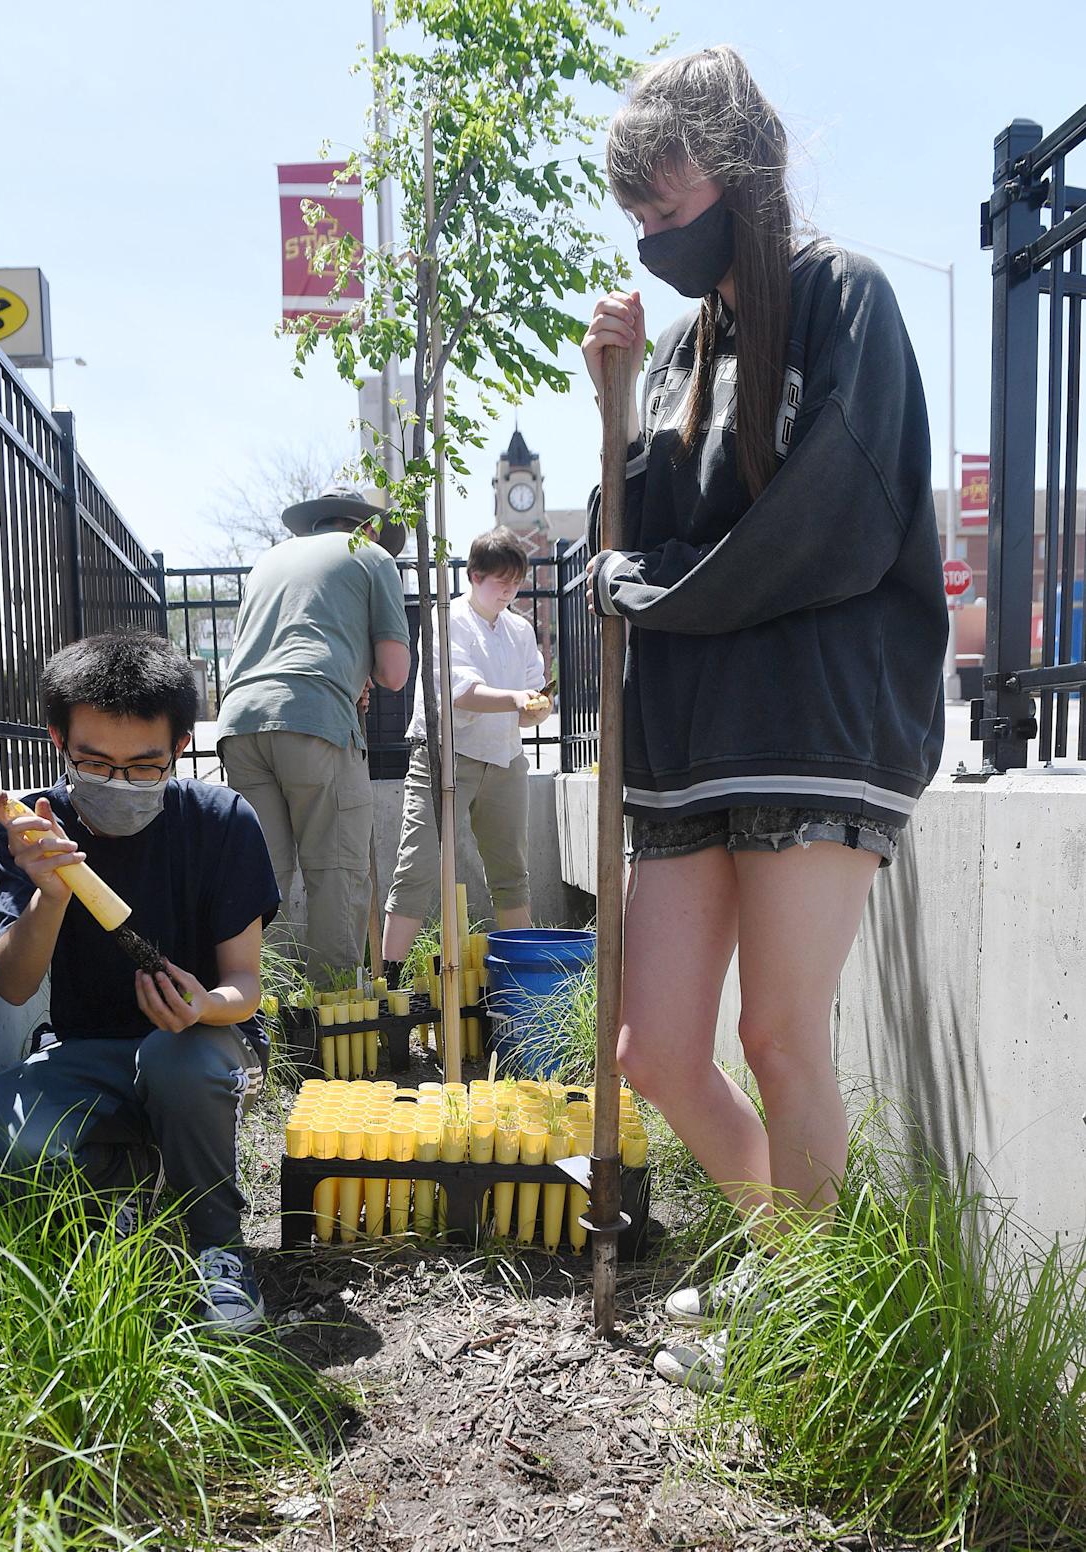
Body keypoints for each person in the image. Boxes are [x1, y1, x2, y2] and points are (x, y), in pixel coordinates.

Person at [580, 47, 947, 1391]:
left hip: (811, 716)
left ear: (735, 176)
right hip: (691, 736)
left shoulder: (839, 297)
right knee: (654, 1050)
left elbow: (839, 511)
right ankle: (787, 1266)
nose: (651, 233)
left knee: (777, 1035)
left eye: (665, 204)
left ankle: (814, 1344)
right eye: (635, 215)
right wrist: (610, 401)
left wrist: (662, 593)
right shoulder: (690, 347)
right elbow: (644, 537)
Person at [0, 630, 280, 1332]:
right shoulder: (32, 830)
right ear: (58, 741)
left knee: (178, 1060)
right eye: (94, 762)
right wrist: (49, 892)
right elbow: (13, 987)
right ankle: (121, 1189)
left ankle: (218, 1250)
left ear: (179, 747)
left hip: (205, 1044)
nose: (119, 782)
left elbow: (245, 984)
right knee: (6, 1133)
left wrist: (204, 1005)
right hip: (89, 1049)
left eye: (145, 765)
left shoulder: (220, 821)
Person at [216, 487, 410, 984]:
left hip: (239, 722)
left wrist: (349, 674)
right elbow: (393, 671)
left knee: (262, 874)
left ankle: (263, 1015)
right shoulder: (372, 556)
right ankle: (336, 1019)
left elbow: (279, 648)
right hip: (315, 723)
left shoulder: (269, 561)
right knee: (336, 873)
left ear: (317, 524)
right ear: (367, 526)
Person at [381, 527, 551, 981]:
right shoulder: (448, 617)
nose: (509, 591)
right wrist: (519, 700)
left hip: (505, 759)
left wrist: (535, 708)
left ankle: (524, 981)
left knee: (512, 871)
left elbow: (531, 698)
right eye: (501, 582)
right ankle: (390, 979)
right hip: (443, 755)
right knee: (417, 865)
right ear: (474, 575)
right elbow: (461, 692)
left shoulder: (520, 628)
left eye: (516, 583)